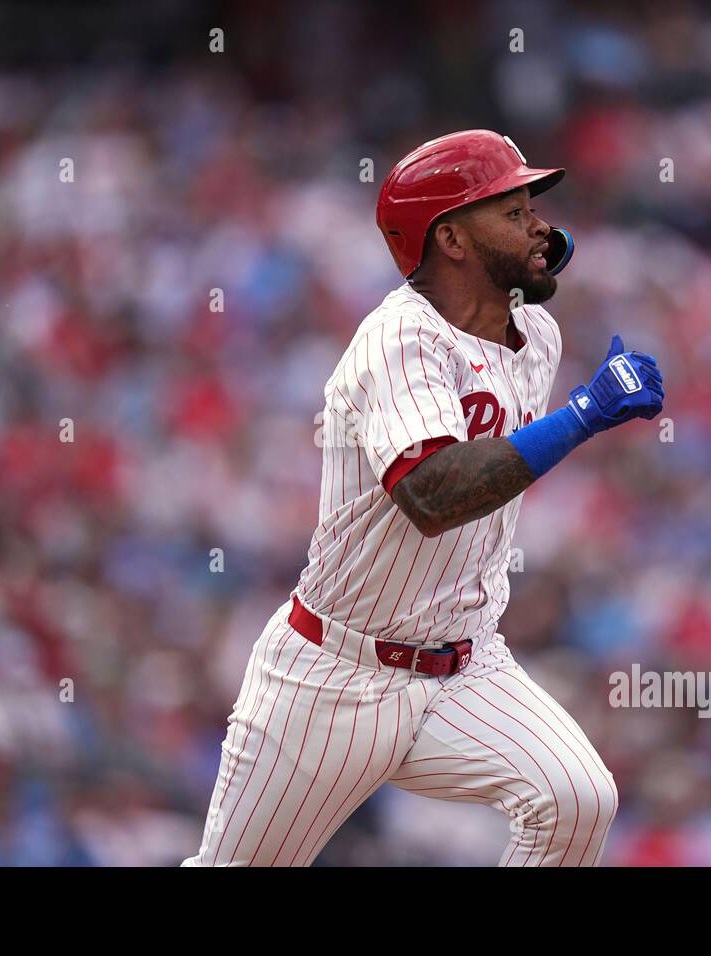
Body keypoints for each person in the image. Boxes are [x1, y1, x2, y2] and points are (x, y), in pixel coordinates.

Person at [184, 130, 665, 866]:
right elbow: (433, 495)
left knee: (577, 800)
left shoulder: (535, 332)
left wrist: (530, 259)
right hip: (334, 675)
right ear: (452, 239)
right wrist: (583, 414)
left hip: (466, 668)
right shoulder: (397, 340)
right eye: (512, 211)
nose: (540, 225)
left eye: (534, 207)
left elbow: (494, 447)